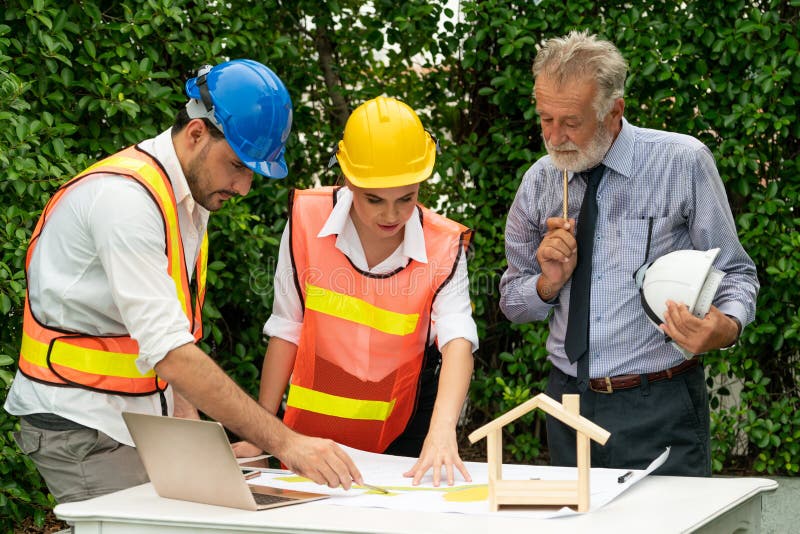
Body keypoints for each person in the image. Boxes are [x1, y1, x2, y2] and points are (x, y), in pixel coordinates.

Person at [4, 59, 363, 504]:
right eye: (237, 165)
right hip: (79, 424)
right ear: (196, 133)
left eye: (251, 172)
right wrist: (286, 443)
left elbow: (169, 339)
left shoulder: (187, 201)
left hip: (129, 422)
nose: (244, 186)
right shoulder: (127, 202)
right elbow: (173, 356)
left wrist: (195, 442)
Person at [499, 31, 758, 476]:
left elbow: (735, 273)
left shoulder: (683, 162)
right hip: (566, 403)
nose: (554, 137)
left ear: (614, 110)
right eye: (545, 118)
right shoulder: (541, 181)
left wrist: (726, 327)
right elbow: (512, 304)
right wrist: (547, 284)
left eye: (571, 122)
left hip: (659, 402)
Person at [232, 96, 478, 487]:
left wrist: (443, 431)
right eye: (374, 199)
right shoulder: (306, 219)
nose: (392, 215)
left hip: (399, 434)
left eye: (407, 198)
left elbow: (458, 339)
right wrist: (261, 431)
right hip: (308, 438)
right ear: (348, 180)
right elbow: (285, 328)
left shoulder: (444, 244)